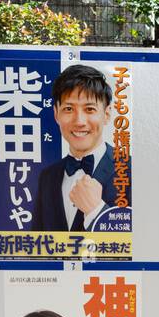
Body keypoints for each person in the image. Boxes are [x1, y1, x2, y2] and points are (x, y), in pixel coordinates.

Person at [34, 64, 128, 233]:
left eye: (90, 109)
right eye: (68, 109)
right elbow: (35, 246)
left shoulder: (131, 170)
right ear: (56, 114)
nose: (79, 121)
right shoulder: (47, 176)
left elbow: (147, 244)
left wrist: (96, 211)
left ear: (106, 114)